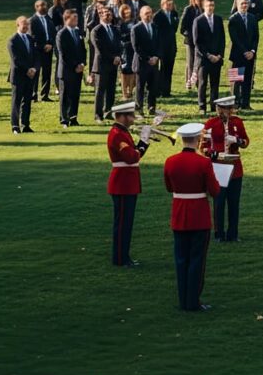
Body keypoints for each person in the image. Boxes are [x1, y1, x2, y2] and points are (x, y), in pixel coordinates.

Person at [163, 122, 220, 311]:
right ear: (197, 140)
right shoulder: (203, 162)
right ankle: (193, 300)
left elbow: (169, 187)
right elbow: (214, 190)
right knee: (197, 259)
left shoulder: (170, 161)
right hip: (198, 215)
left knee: (181, 259)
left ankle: (183, 299)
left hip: (179, 213)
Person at [106, 99, 152, 267]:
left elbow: (135, 155)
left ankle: (123, 256)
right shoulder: (118, 134)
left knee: (126, 223)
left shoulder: (122, 132)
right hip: (123, 183)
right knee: (123, 224)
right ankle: (120, 258)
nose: (133, 118)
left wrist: (142, 144)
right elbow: (132, 157)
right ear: (123, 116)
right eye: (131, 115)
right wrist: (144, 141)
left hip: (126, 182)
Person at [204, 97, 249, 243]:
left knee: (234, 202)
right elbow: (202, 147)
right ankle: (218, 233)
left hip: (235, 167)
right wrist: (215, 154)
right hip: (218, 166)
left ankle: (233, 233)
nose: (230, 111)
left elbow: (246, 141)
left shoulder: (237, 122)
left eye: (231, 108)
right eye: (227, 109)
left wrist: (237, 141)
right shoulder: (211, 124)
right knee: (219, 202)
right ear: (219, 109)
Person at [192, 0, 225, 114]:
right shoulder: (198, 21)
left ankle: (214, 105)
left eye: (212, 5)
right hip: (204, 59)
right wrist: (208, 55)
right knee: (202, 83)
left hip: (217, 58)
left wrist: (219, 55)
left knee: (215, 84)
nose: (210, 8)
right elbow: (197, 42)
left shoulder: (219, 19)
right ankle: (202, 106)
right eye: (208, 6)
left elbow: (222, 39)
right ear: (203, 7)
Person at [91, 6, 123, 122]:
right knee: (100, 91)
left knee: (111, 90)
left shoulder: (115, 29)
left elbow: (119, 45)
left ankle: (108, 111)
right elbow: (100, 49)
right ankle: (98, 115)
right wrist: (112, 57)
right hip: (102, 64)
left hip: (113, 65)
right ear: (100, 15)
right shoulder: (96, 30)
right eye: (104, 13)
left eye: (109, 13)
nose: (107, 15)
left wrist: (118, 56)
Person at [229, 0, 260, 111]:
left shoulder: (252, 18)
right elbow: (235, 38)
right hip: (238, 55)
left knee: (248, 80)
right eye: (242, 4)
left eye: (246, 4)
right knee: (236, 80)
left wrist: (252, 51)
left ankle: (245, 103)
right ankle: (235, 103)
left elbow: (256, 37)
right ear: (237, 5)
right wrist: (244, 51)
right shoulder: (233, 19)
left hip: (250, 56)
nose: (244, 6)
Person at [56, 8, 86, 127]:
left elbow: (83, 50)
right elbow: (63, 53)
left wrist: (82, 63)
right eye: (74, 18)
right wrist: (75, 65)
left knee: (75, 94)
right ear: (67, 19)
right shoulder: (61, 34)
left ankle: (73, 117)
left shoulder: (78, 32)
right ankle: (64, 119)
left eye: (77, 18)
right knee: (65, 95)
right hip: (67, 70)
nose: (77, 20)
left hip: (78, 69)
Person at [8, 16, 38, 134]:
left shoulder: (30, 39)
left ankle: (25, 125)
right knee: (16, 101)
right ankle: (15, 126)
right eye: (23, 24)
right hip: (19, 75)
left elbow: (36, 56)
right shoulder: (12, 40)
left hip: (30, 75)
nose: (26, 26)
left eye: (27, 24)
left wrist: (34, 69)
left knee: (27, 101)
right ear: (18, 25)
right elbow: (16, 60)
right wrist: (27, 69)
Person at [132, 5, 162, 116]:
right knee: (140, 87)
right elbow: (136, 47)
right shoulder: (136, 29)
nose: (149, 15)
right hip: (142, 63)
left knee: (153, 86)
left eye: (150, 13)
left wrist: (156, 57)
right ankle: (139, 108)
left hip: (154, 63)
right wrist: (148, 59)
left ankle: (151, 107)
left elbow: (159, 44)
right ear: (141, 15)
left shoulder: (155, 27)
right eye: (146, 13)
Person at [30, 0, 55, 102]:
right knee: (36, 72)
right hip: (37, 50)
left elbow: (53, 33)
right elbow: (32, 36)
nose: (44, 7)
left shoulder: (49, 19)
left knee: (47, 72)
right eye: (41, 5)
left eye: (45, 5)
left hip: (48, 50)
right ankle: (33, 94)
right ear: (36, 7)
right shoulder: (32, 20)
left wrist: (51, 45)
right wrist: (43, 46)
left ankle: (45, 95)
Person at [155, 0, 180, 98]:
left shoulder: (174, 14)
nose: (169, 4)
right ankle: (159, 90)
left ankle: (167, 91)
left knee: (169, 69)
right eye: (167, 3)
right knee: (163, 69)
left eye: (171, 2)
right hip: (161, 46)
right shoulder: (158, 16)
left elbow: (174, 29)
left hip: (171, 46)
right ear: (162, 4)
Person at [180, 0, 204, 92]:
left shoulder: (203, 9)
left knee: (199, 62)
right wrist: (190, 35)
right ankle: (189, 82)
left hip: (201, 40)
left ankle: (199, 82)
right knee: (190, 62)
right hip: (190, 41)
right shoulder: (188, 9)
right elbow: (182, 27)